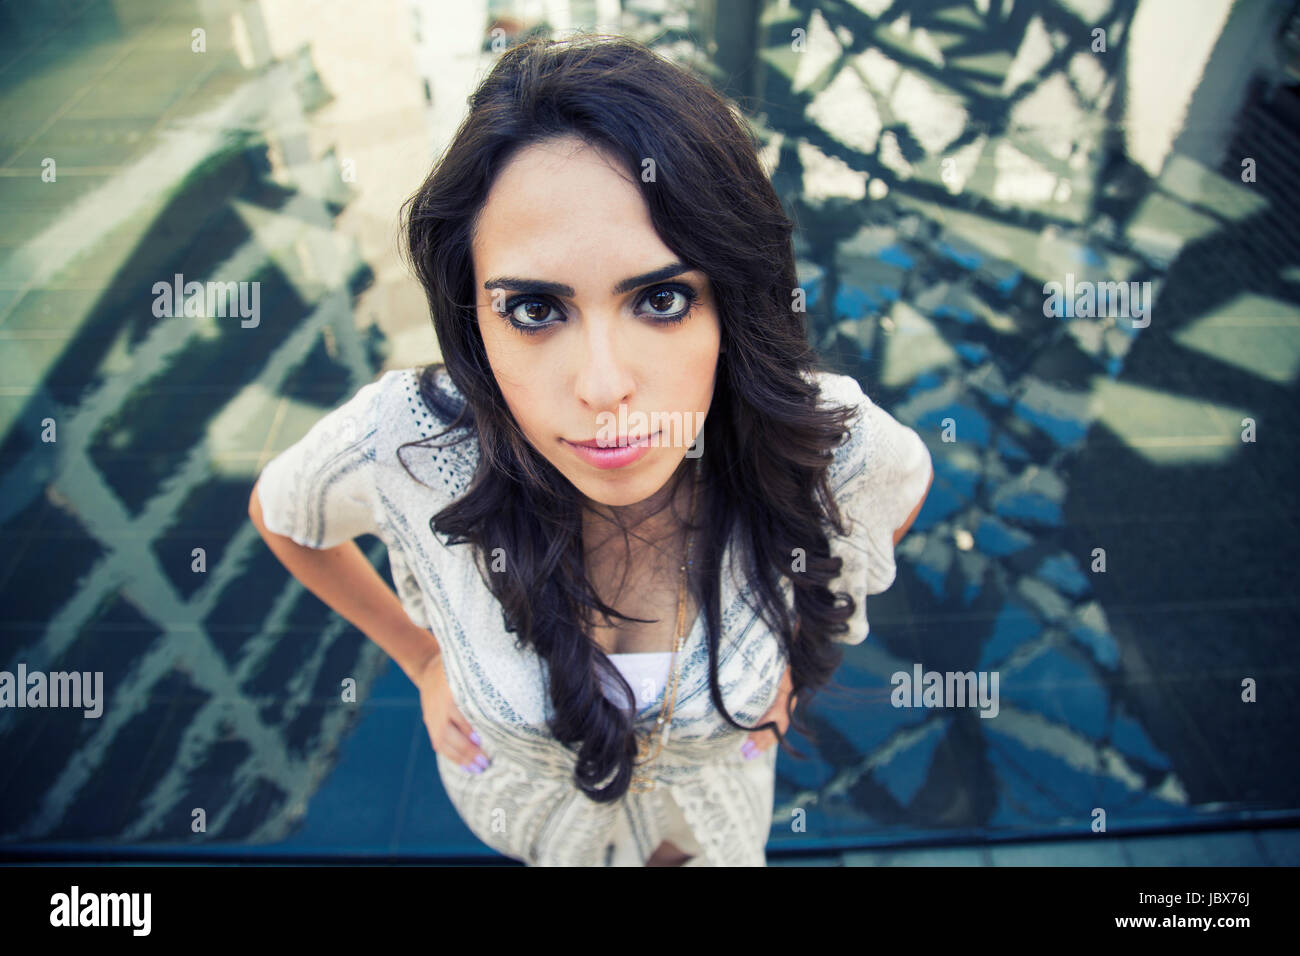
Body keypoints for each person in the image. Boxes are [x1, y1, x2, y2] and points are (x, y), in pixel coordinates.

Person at [248, 34, 933, 866]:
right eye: (535, 310)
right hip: (535, 831)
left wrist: (800, 653)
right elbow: (283, 516)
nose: (603, 387)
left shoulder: (823, 439)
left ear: (733, 304)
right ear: (473, 321)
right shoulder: (412, 441)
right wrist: (423, 660)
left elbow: (897, 490)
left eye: (662, 298)